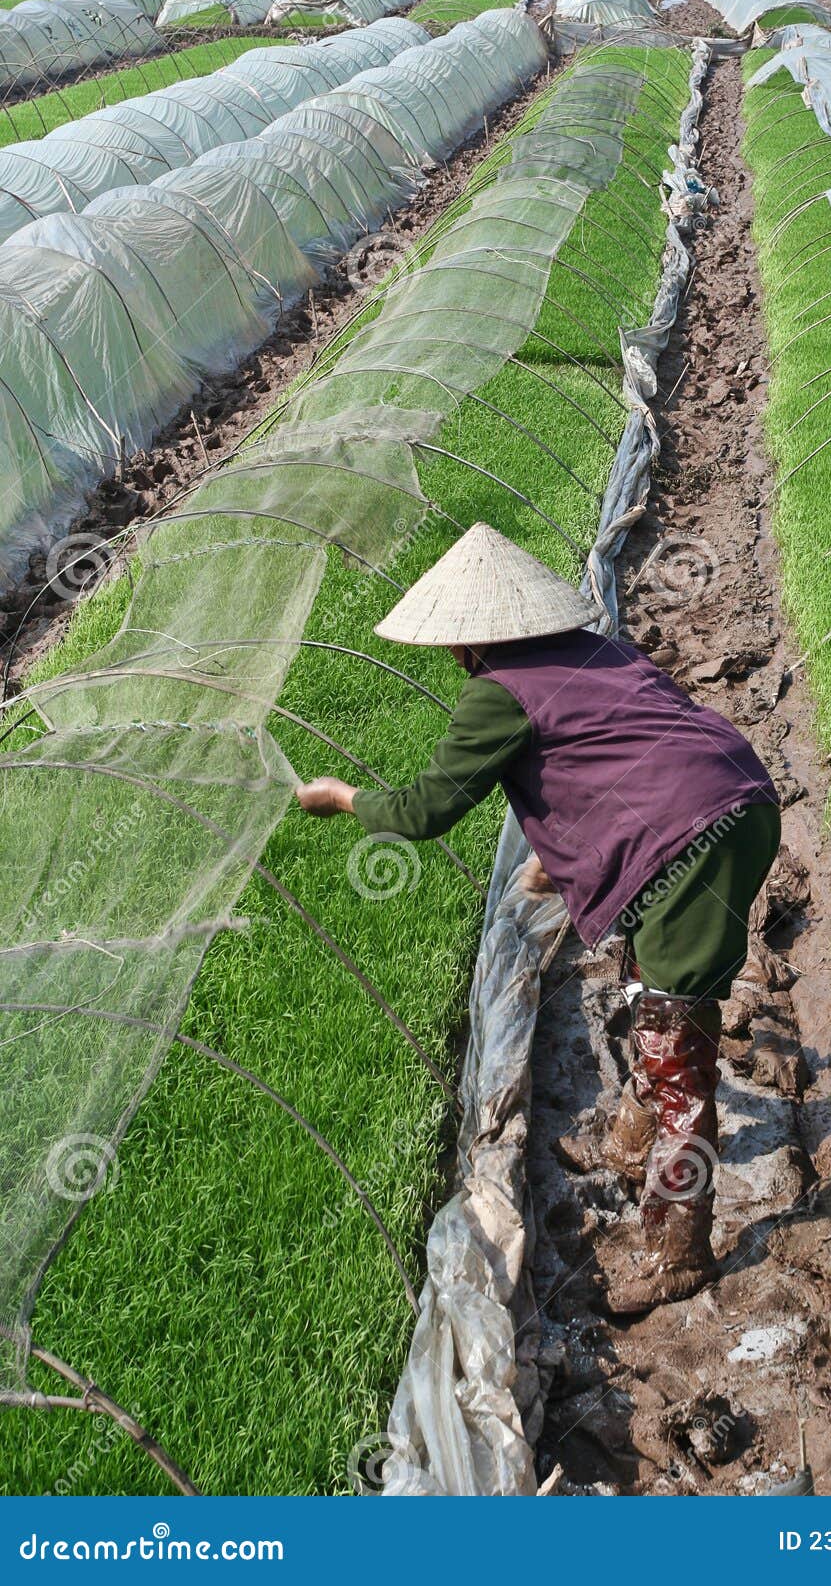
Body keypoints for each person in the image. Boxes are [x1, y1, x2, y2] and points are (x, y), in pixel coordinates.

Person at [297, 523, 780, 1313]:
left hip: (690, 840)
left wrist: (342, 797)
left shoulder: (497, 692)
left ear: (467, 641)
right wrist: (563, 859)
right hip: (736, 804)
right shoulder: (600, 651)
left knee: (673, 1042)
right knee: (655, 995)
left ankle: (678, 1245)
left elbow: (423, 811)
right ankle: (628, 1142)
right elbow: (613, 755)